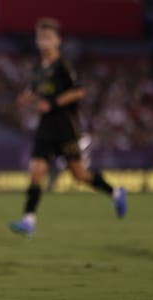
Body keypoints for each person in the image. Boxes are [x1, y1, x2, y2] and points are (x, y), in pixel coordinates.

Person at [9, 18, 126, 236]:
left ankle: (116, 192)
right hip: (46, 127)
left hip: (65, 127)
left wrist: (52, 103)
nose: (44, 41)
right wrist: (26, 97)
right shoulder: (38, 67)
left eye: (48, 37)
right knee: (36, 172)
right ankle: (29, 220)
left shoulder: (63, 66)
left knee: (79, 175)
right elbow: (36, 88)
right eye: (41, 37)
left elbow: (78, 92)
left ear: (58, 41)